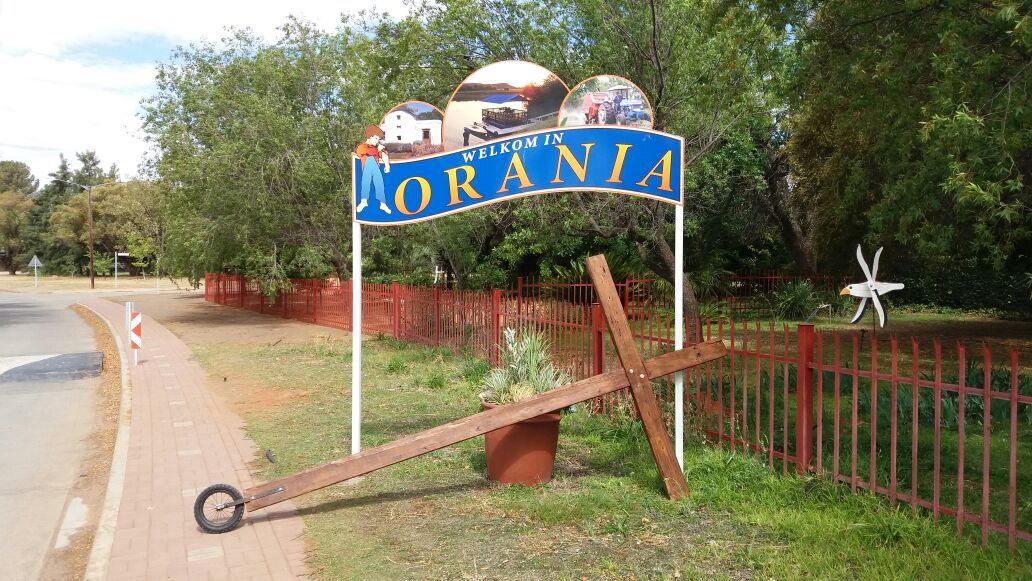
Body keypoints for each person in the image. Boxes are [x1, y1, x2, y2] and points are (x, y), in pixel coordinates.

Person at [355, 124, 392, 214]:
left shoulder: (377, 149)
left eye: (378, 139)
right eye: (376, 138)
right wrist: (378, 150)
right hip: (367, 168)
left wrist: (387, 165)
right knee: (370, 164)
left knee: (379, 182)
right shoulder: (362, 147)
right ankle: (364, 201)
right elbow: (366, 152)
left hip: (375, 169)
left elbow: (384, 155)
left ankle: (382, 204)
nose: (377, 141)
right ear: (370, 137)